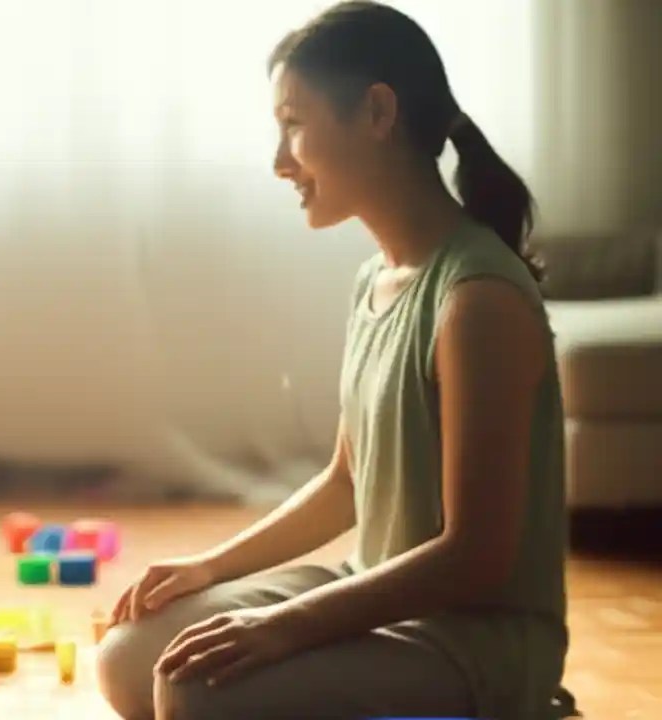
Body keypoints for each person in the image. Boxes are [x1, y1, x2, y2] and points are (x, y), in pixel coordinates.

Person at [96, 2, 574, 719]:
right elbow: (346, 482)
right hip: (374, 587)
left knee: (192, 693)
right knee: (130, 655)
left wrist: (283, 627)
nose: (279, 160)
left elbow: (476, 556)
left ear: (378, 112)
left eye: (293, 123)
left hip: (472, 640)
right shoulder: (375, 280)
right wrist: (209, 568)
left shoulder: (478, 300)